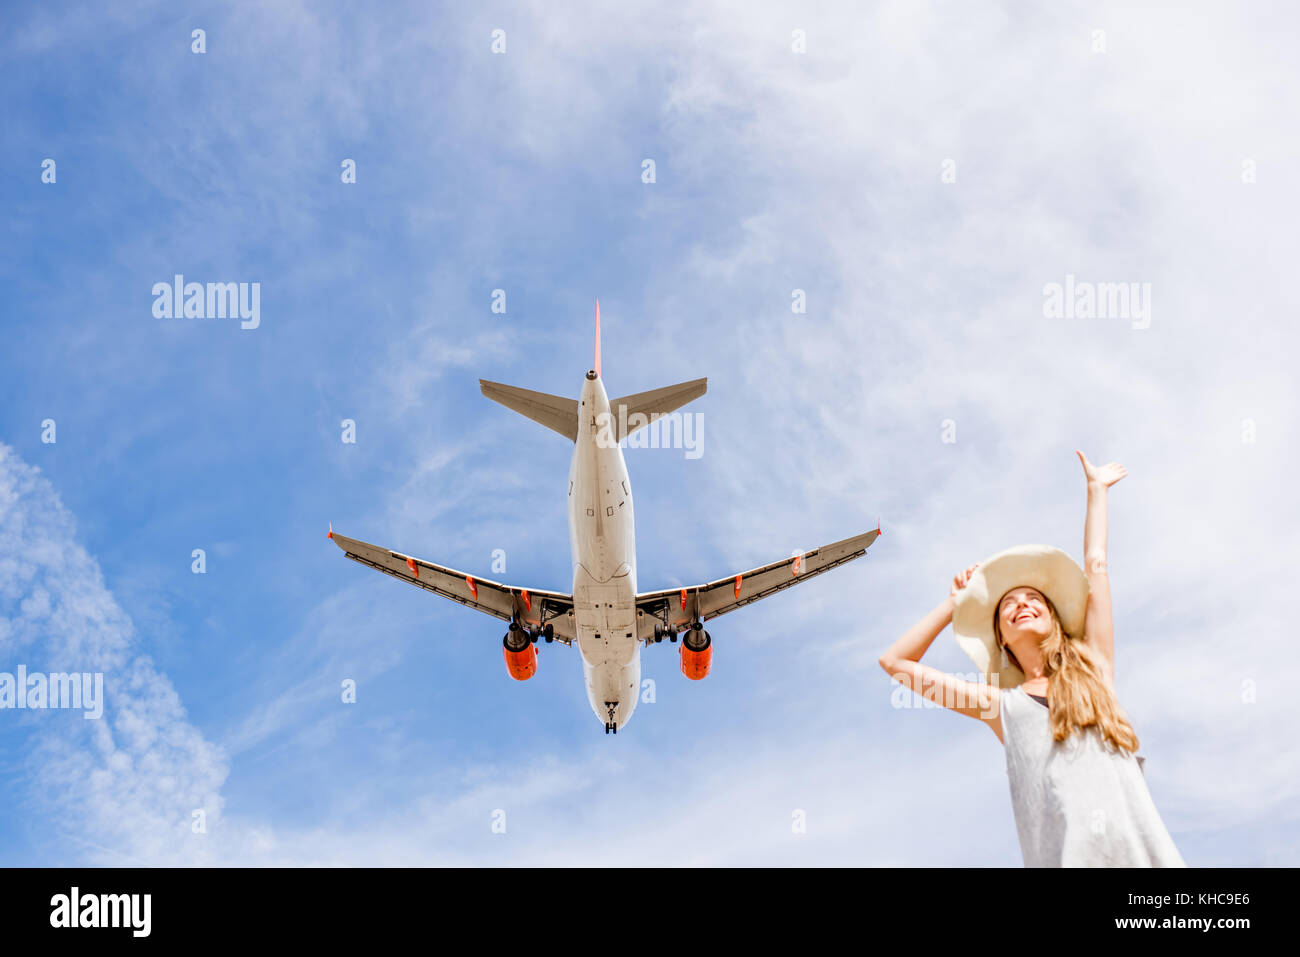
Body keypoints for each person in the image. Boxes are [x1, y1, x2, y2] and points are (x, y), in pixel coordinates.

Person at [878, 451, 1185, 866]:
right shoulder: (999, 706)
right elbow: (896, 663)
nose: (1022, 604)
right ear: (1001, 638)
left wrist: (1096, 492)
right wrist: (952, 604)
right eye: (1008, 604)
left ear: (1054, 619)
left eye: (1033, 598)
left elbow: (1096, 564)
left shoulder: (1095, 668)